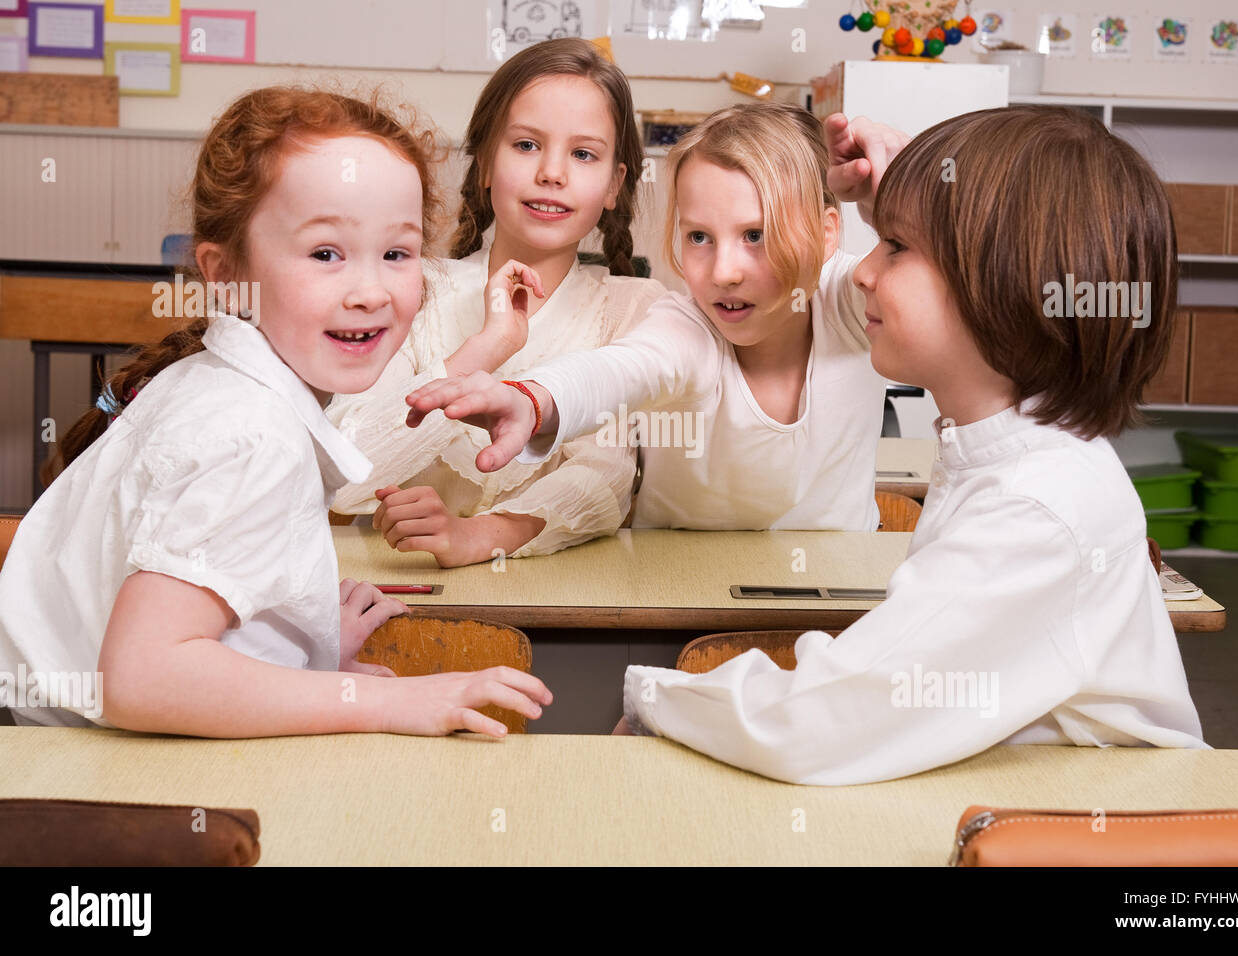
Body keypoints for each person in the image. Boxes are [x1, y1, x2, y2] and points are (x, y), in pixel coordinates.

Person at [423, 105, 1208, 784]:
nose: (863, 272)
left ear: (999, 287)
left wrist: (652, 700)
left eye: (895, 247)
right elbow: (632, 365)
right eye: (697, 235)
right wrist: (539, 395)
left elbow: (833, 716)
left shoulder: (1037, 505)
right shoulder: (1021, 461)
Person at [0, 87, 550, 736]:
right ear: (226, 272)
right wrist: (383, 701)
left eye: (396, 253)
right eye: (325, 253)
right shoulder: (251, 435)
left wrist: (290, 646)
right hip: (72, 787)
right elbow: (144, 677)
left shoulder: (219, 385)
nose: (369, 291)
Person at [405, 101, 890, 532]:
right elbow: (621, 369)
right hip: (678, 607)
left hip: (848, 608)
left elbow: (953, 280)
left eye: (756, 235)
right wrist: (536, 400)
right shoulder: (688, 324)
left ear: (827, 235)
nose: (724, 272)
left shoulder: (857, 301)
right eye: (699, 236)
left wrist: (895, 188)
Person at [325, 38, 665, 565]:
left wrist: (480, 535)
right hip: (399, 594)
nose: (552, 172)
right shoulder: (414, 286)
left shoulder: (633, 308)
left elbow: (605, 479)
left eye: (583, 153)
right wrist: (487, 347)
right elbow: (347, 478)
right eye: (526, 145)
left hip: (561, 601)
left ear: (614, 184)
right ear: (484, 163)